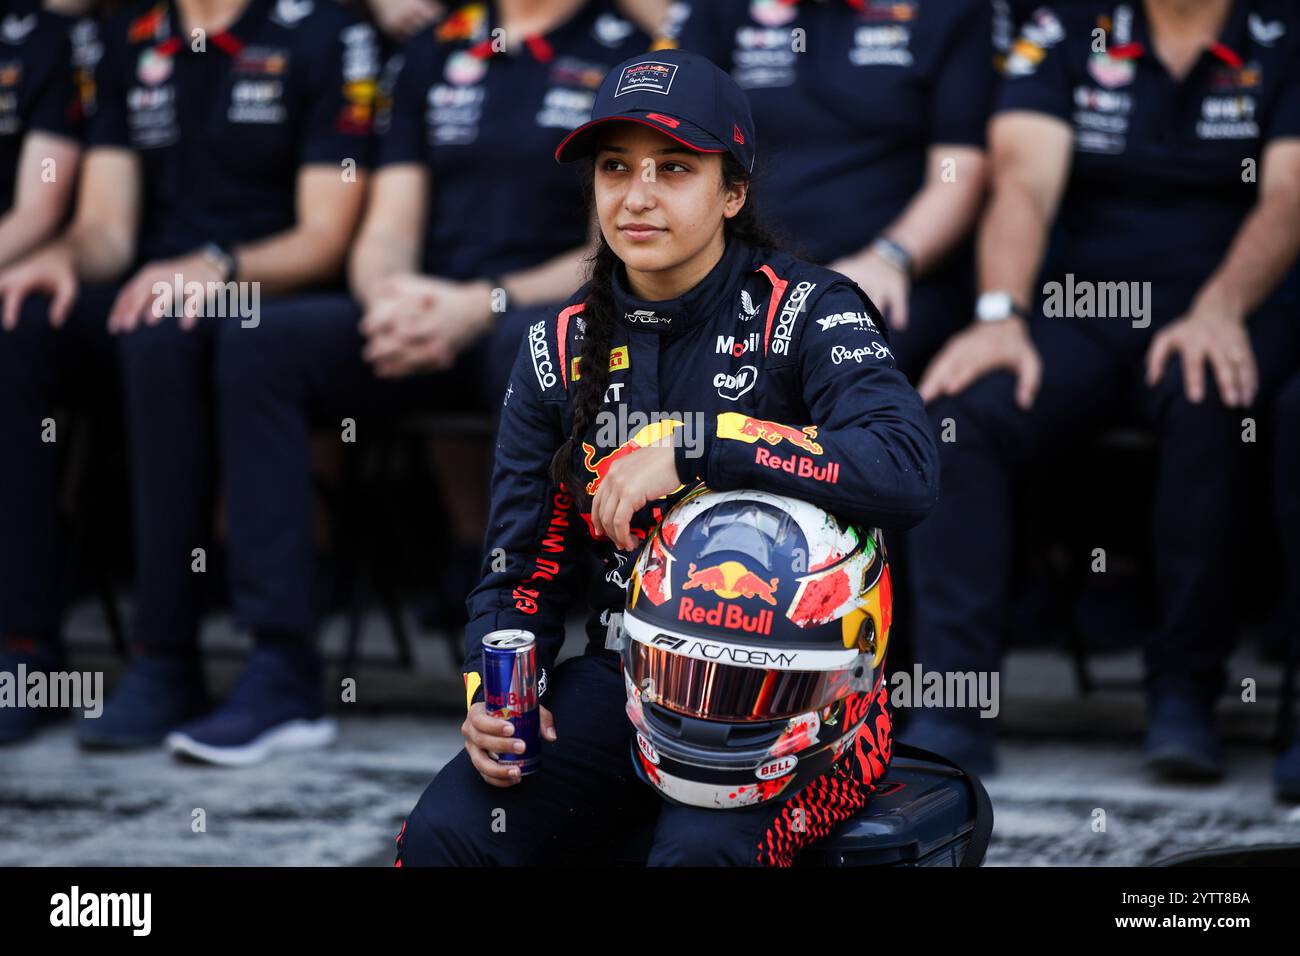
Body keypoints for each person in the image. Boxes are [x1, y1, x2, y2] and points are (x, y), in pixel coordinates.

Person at [393, 48, 938, 866]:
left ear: (733, 192)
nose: (637, 195)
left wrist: (700, 446)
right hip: (626, 681)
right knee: (448, 834)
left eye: (674, 168)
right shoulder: (558, 345)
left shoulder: (809, 311)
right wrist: (495, 694)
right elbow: (517, 574)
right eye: (616, 168)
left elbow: (903, 467)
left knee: (696, 858)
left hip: (808, 704)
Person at [194, 0, 650, 765]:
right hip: (428, 317)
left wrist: (482, 303)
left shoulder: (625, 52)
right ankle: (278, 672)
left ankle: (529, 672)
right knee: (261, 342)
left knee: (530, 344)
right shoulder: (436, 50)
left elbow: (613, 250)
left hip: (538, 317)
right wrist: (392, 302)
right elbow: (387, 226)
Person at [904, 0, 1300, 778]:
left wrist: (1218, 311)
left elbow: (1289, 195)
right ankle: (953, 706)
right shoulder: (1067, 27)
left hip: (1231, 305)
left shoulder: (1284, 30)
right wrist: (999, 316)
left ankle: (1185, 693)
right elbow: (1022, 183)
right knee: (960, 413)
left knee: (1211, 394)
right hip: (1078, 310)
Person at [0, 0, 380, 751]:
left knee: (162, 330)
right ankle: (23, 650)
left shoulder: (324, 30)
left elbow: (326, 239)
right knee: (20, 321)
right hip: (160, 290)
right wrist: (61, 259)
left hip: (273, 294)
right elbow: (107, 230)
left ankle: (166, 657)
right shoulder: (131, 35)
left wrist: (218, 267)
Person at [657, 0, 993, 382]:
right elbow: (662, 141)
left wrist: (890, 257)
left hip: (881, 274)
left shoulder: (950, 11)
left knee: (828, 376)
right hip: (732, 271)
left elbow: (956, 172)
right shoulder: (718, 10)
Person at [0, 0, 89, 743]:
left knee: (12, 334)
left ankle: (24, 647)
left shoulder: (43, 35)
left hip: (23, 267)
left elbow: (38, 206)